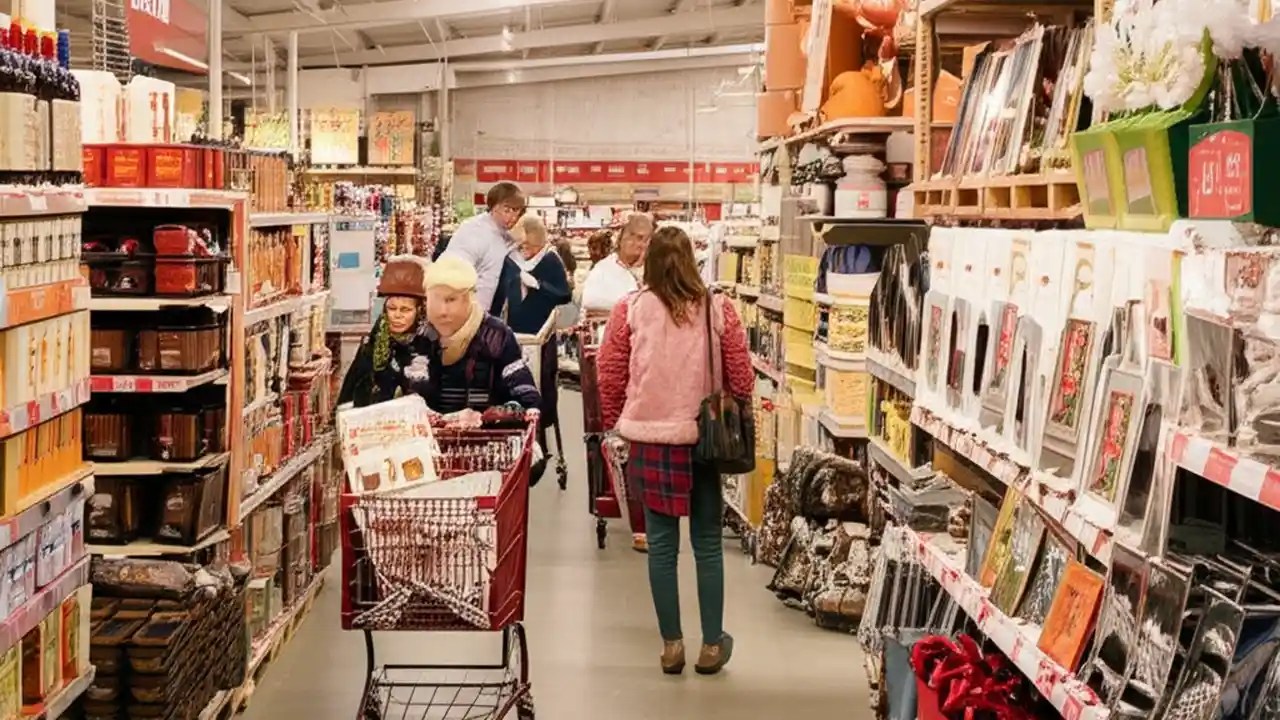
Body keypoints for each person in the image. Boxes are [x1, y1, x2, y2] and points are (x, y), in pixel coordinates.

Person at [596, 226, 754, 676]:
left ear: (649, 261)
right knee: (707, 544)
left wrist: (614, 424)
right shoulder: (717, 308)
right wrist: (735, 408)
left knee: (662, 547)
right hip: (702, 439)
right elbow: (740, 375)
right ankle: (711, 644)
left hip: (649, 438)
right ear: (692, 260)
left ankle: (671, 645)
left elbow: (609, 372)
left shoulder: (629, 309)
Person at [418, 256, 542, 415]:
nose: (442, 311)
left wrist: (509, 411)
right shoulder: (419, 337)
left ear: (469, 299)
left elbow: (524, 391)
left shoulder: (497, 336)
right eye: (435, 299)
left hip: (483, 435)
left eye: (451, 300)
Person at [337, 256, 432, 408]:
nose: (397, 315)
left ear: (419, 312)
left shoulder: (430, 345)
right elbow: (348, 394)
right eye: (392, 308)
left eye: (406, 310)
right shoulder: (372, 346)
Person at [442, 182, 526, 313]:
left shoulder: (503, 235)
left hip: (485, 314)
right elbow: (453, 272)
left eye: (517, 211)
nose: (513, 217)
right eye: (507, 210)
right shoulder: (474, 232)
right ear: (493, 207)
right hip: (467, 314)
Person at [581, 213, 653, 314]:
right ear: (620, 238)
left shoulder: (653, 269)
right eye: (632, 236)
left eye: (643, 239)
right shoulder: (603, 269)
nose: (637, 243)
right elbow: (589, 301)